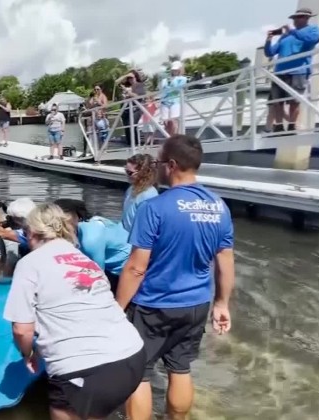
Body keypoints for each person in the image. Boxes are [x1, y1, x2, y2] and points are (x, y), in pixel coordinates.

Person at [116, 135, 235, 420]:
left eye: (157, 162)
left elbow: (136, 267)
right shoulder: (219, 206)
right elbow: (226, 261)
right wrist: (221, 303)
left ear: (171, 165)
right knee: (180, 368)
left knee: (138, 371)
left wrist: (117, 309)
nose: (155, 167)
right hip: (196, 304)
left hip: (155, 304)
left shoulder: (155, 207)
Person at [3, 203, 145, 420]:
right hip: (132, 357)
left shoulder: (29, 264)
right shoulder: (86, 260)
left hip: (81, 371)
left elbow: (22, 330)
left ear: (31, 232)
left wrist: (29, 354)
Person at [53, 198, 131, 295]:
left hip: (123, 270)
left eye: (62, 225)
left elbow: (99, 277)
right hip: (109, 266)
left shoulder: (90, 239)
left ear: (76, 218)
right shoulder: (83, 226)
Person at [264, 7, 319, 134]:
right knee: (277, 101)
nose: (296, 19)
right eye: (295, 17)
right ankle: (278, 126)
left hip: (299, 71)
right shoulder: (285, 36)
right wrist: (268, 40)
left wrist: (293, 31)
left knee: (294, 102)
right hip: (280, 72)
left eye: (299, 17)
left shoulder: (313, 30)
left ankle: (291, 126)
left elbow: (311, 40)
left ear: (307, 18)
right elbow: (270, 52)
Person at [121, 154, 158, 233]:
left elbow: (149, 227)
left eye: (129, 172)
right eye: (126, 170)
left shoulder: (149, 195)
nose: (126, 175)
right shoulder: (130, 189)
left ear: (142, 173)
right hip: (125, 236)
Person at [115, 70, 146, 144]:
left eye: (132, 77)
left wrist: (128, 92)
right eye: (129, 78)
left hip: (136, 108)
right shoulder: (126, 85)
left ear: (136, 77)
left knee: (131, 124)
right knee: (126, 127)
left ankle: (135, 144)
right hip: (125, 109)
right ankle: (129, 144)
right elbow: (116, 82)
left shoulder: (139, 85)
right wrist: (126, 76)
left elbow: (138, 97)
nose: (130, 79)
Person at [159, 61, 188, 137]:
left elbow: (178, 90)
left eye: (176, 69)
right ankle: (168, 138)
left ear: (179, 70)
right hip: (164, 102)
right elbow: (162, 90)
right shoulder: (165, 80)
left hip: (175, 101)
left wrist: (169, 88)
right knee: (166, 122)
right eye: (173, 69)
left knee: (174, 121)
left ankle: (175, 137)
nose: (174, 71)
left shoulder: (183, 79)